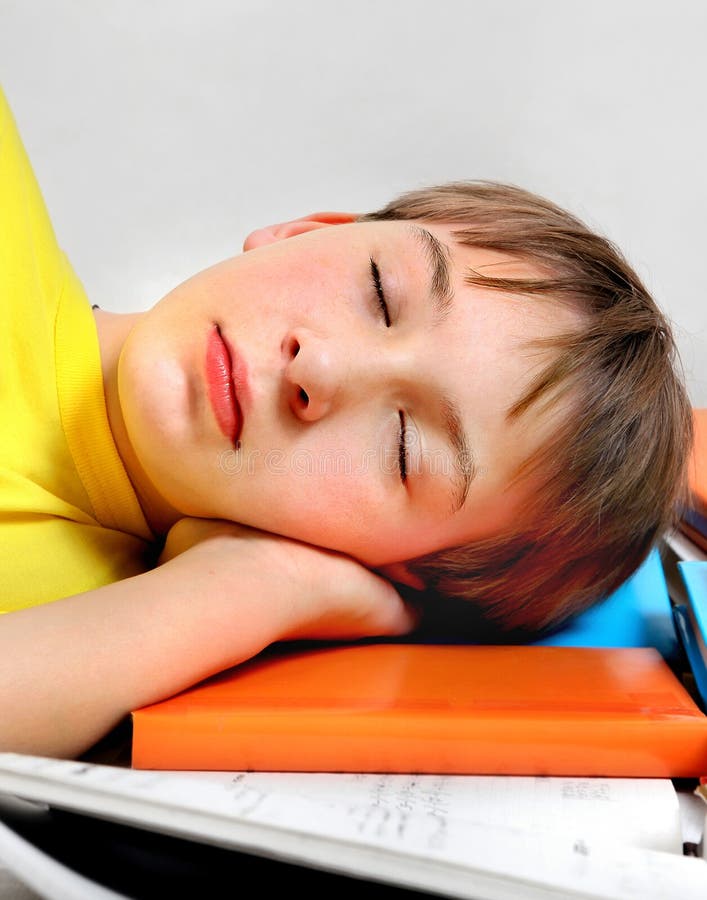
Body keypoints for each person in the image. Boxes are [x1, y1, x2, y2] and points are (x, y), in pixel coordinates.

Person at [0, 86, 693, 759]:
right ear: (306, 231)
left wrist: (248, 590)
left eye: (399, 447)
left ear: (393, 575)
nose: (318, 368)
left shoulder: (87, 653)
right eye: (380, 294)